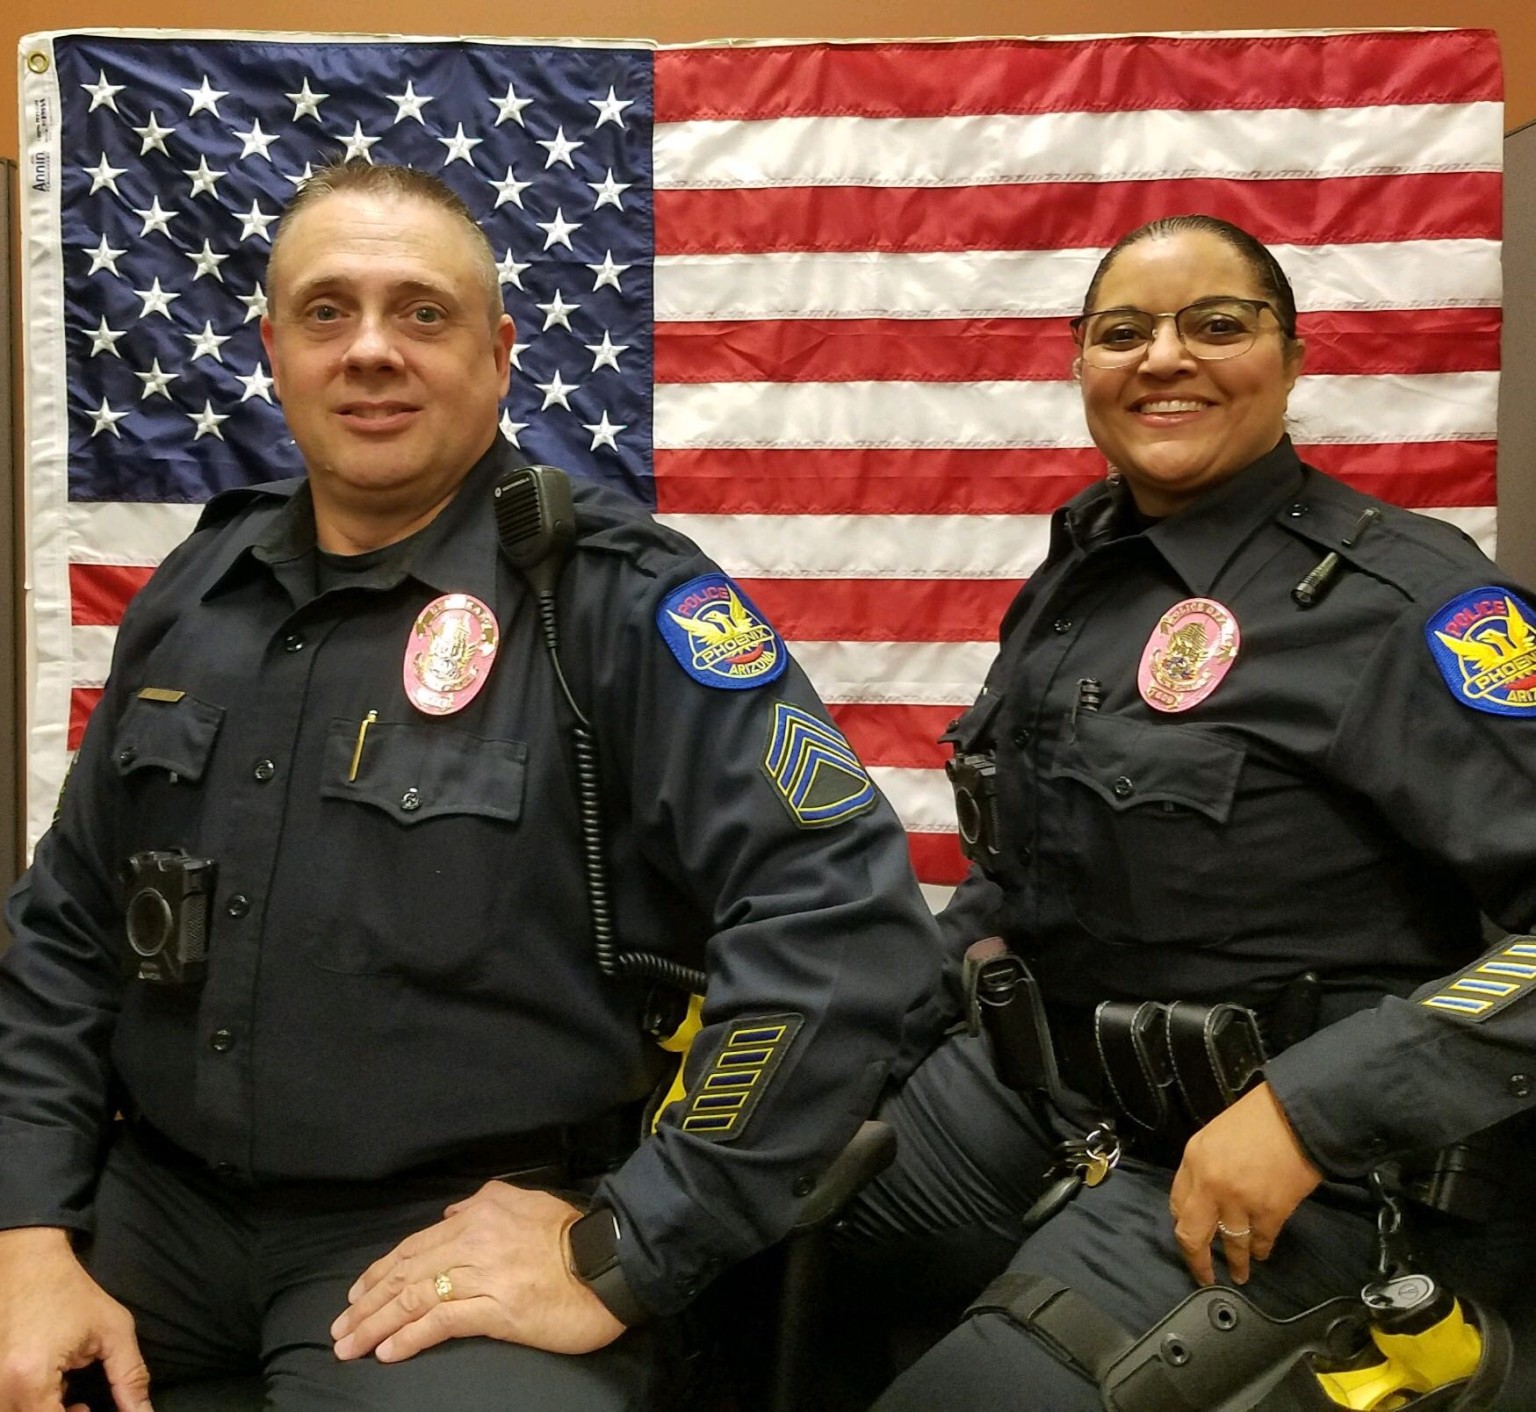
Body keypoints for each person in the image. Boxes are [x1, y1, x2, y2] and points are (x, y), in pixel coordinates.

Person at [0, 161, 945, 1412]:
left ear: (499, 354)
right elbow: (65, 928)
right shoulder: (194, 593)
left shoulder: (620, 601)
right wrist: (24, 1228)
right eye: (328, 312)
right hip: (154, 1206)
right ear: (274, 351)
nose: (372, 350)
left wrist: (629, 1242)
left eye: (423, 312)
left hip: (442, 1242)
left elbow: (846, 923)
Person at [835, 214, 1536, 1410]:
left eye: (1219, 323)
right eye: (1124, 332)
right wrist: (845, 1041)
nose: (1165, 358)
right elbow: (1018, 884)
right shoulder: (1076, 581)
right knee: (734, 1227)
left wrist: (1309, 1113)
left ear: (1294, 357)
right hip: (1044, 1095)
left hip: (1309, 1163)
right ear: (1081, 366)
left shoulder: (1415, 605)